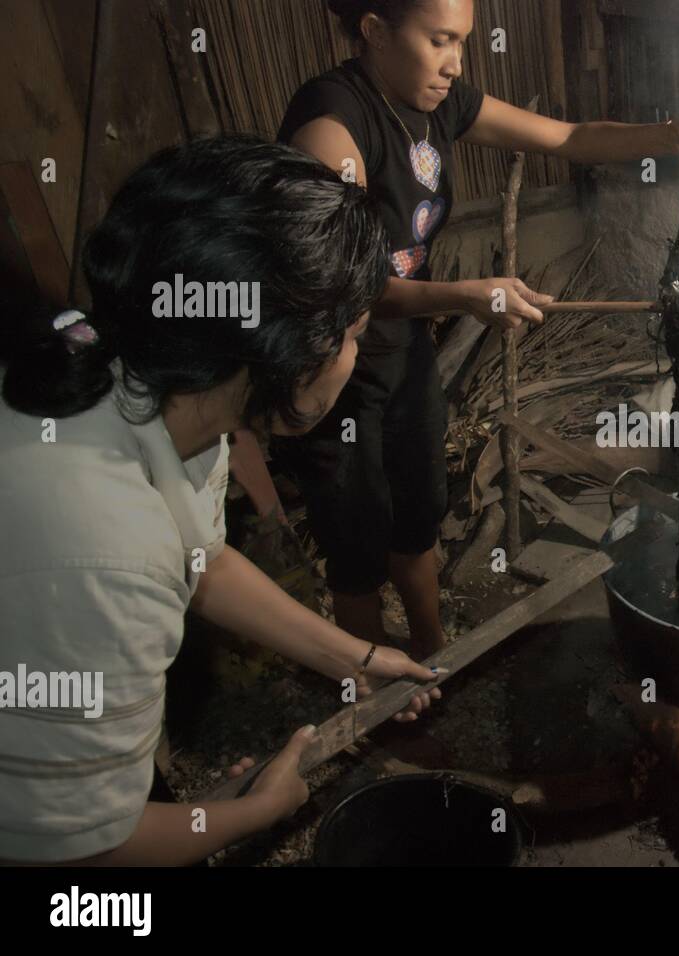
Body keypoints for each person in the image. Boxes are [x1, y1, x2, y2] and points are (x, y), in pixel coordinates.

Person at [0, 136, 442, 866]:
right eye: (354, 335)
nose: (356, 356)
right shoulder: (106, 548)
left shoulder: (162, 384)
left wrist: (354, 657)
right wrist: (245, 814)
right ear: (287, 352)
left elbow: (199, 558)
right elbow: (82, 856)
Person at [277, 0, 679, 658]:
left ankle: (430, 652)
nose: (456, 64)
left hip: (404, 350)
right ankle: (369, 689)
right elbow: (340, 288)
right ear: (376, 32)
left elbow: (568, 137)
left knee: (418, 512)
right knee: (354, 539)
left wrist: (672, 134)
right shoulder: (333, 127)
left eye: (463, 43)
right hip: (335, 365)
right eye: (440, 41)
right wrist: (468, 296)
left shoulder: (441, 101)